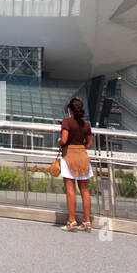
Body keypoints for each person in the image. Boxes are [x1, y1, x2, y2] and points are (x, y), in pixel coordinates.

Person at [58, 97, 94, 231]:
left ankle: (72, 221)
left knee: (70, 189)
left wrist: (60, 141)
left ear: (70, 110)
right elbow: (89, 144)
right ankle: (87, 221)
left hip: (70, 155)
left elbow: (64, 139)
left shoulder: (67, 122)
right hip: (83, 155)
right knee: (84, 189)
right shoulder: (86, 125)